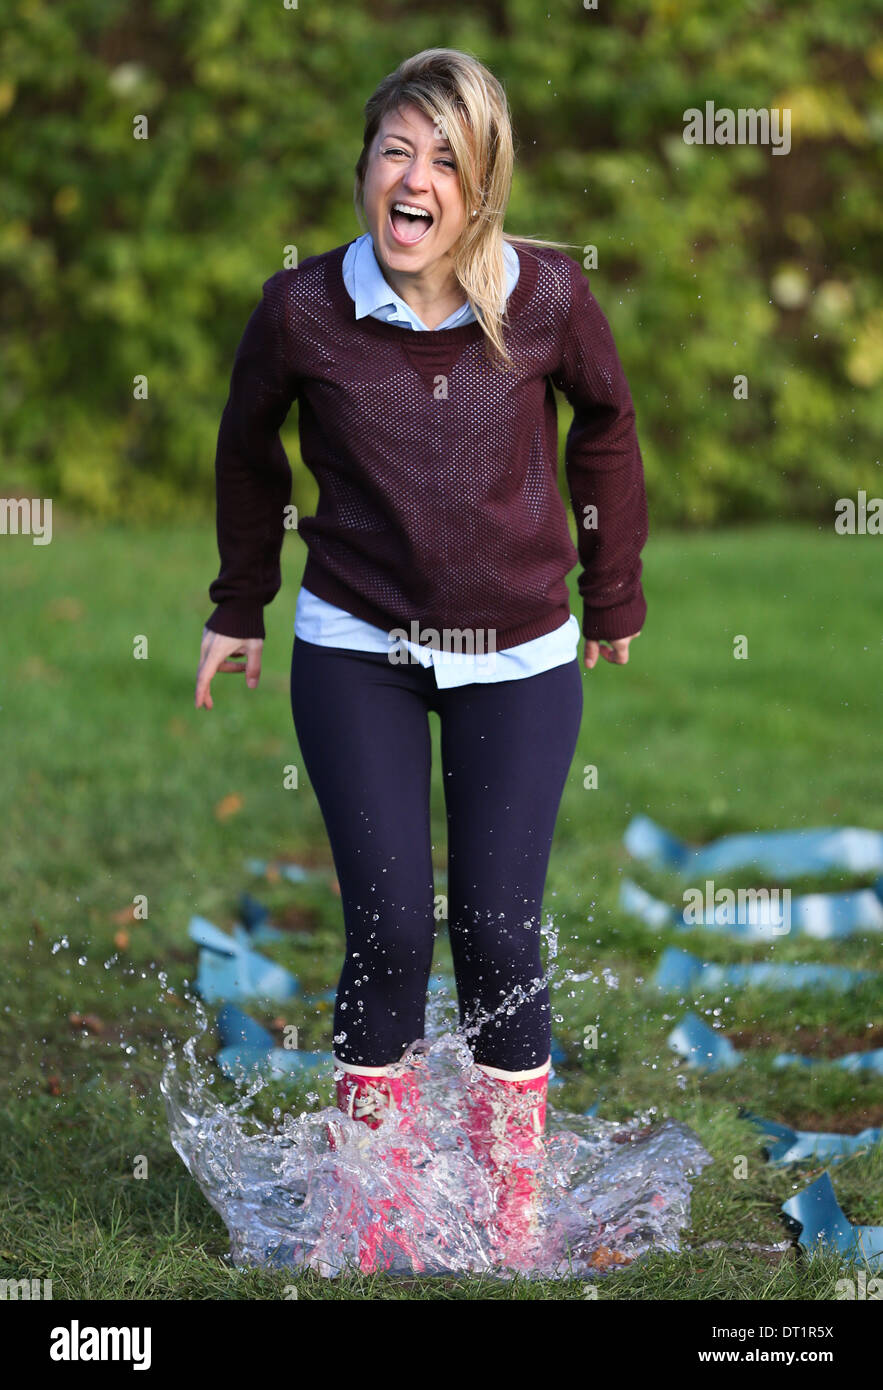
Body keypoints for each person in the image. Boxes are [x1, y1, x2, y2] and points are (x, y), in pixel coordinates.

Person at [195, 47, 648, 1271]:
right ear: (363, 170)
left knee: (498, 931)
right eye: (395, 149)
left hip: (517, 654)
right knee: (391, 930)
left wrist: (612, 586)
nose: (413, 177)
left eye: (444, 157)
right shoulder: (302, 309)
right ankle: (374, 1218)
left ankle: (509, 1223)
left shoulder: (547, 298)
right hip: (359, 646)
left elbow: (606, 421)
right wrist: (240, 602)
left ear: (482, 188)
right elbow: (248, 452)